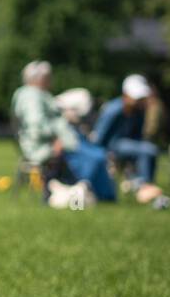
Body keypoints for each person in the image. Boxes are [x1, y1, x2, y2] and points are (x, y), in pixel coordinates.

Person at [12, 61, 115, 202]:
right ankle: (97, 196)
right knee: (95, 159)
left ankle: (99, 196)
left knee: (98, 155)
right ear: (38, 79)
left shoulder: (38, 94)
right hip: (51, 145)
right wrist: (56, 139)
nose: (50, 80)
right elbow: (36, 127)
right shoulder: (31, 97)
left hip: (65, 142)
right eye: (48, 77)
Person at [91, 75, 162, 195]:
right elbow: (99, 137)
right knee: (147, 150)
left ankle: (144, 184)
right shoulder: (113, 110)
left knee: (149, 149)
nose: (138, 101)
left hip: (127, 144)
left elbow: (138, 135)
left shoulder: (138, 111)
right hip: (112, 146)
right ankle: (144, 187)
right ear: (125, 95)